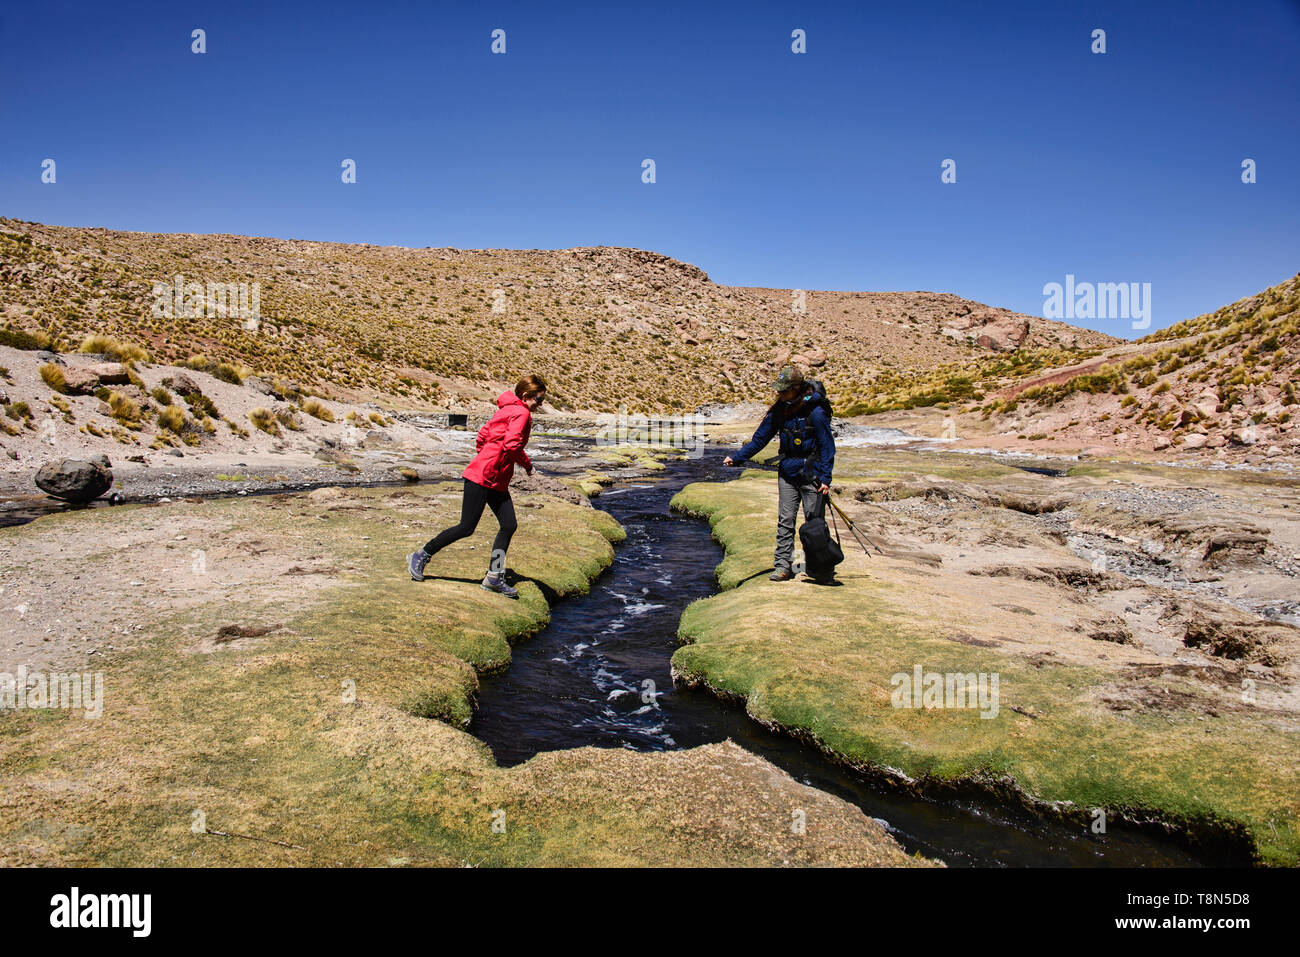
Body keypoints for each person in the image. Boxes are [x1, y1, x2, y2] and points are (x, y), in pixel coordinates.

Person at [407, 375, 547, 598]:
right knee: (466, 527)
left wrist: (487, 455)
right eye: (539, 400)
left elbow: (483, 435)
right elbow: (512, 445)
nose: (540, 405)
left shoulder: (505, 409)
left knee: (509, 525)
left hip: (494, 478)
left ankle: (494, 576)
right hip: (484, 477)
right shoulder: (521, 413)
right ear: (526, 396)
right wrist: (527, 466)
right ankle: (421, 554)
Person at [723, 365, 835, 582]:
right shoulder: (780, 411)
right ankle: (783, 566)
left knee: (814, 522)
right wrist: (738, 457)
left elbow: (827, 447)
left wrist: (825, 478)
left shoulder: (817, 413)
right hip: (787, 473)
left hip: (812, 475)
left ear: (796, 388)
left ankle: (818, 568)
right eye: (779, 391)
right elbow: (760, 439)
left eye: (784, 390)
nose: (780, 394)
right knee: (786, 520)